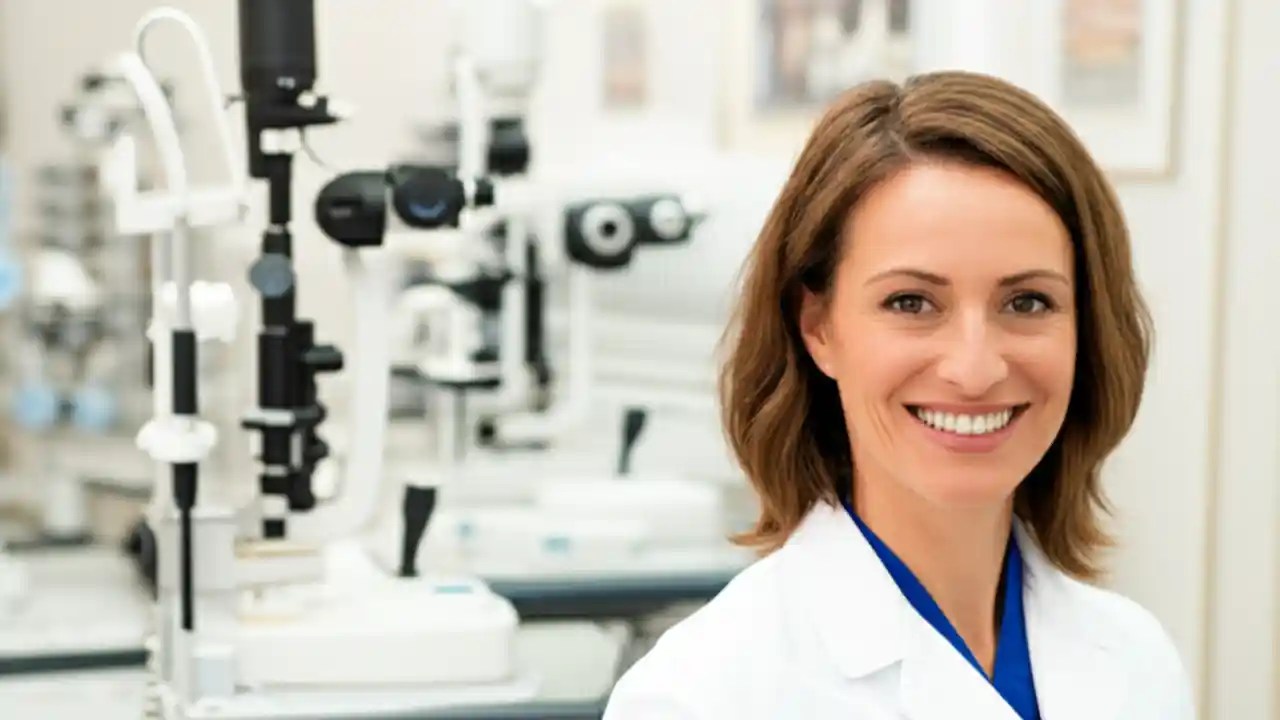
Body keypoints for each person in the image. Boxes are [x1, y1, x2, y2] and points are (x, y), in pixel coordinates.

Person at [603, 71, 1194, 719]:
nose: (975, 369)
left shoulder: (1138, 661)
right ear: (819, 327)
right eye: (911, 302)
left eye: (1027, 301)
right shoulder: (700, 696)